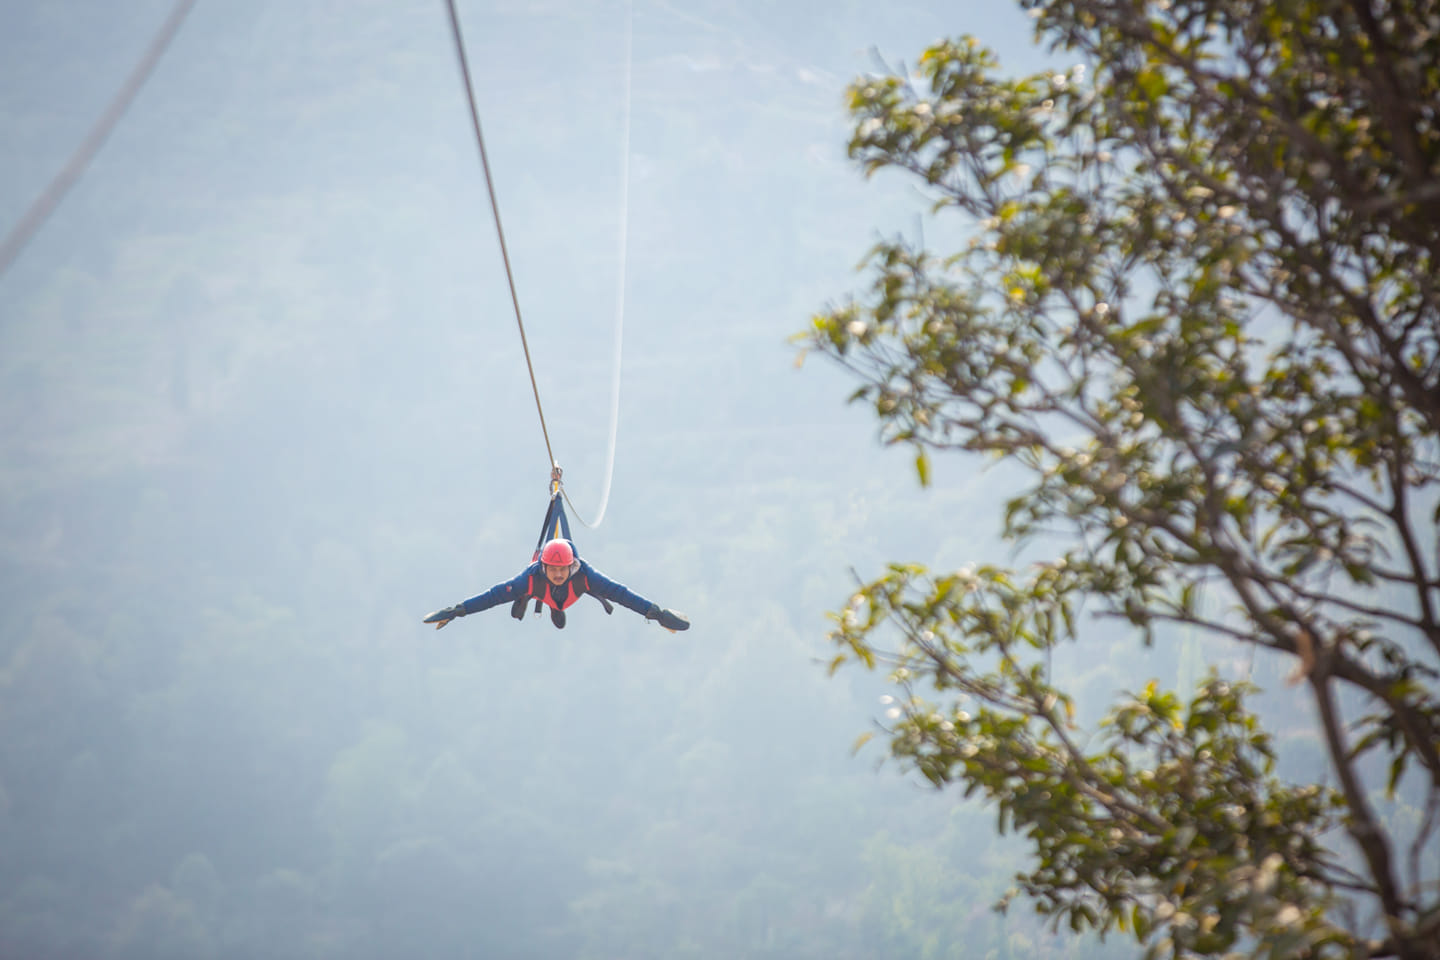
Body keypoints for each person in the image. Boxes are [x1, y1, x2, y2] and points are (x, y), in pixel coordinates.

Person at [423, 536, 690, 632]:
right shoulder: (528, 579)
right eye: (554, 570)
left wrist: (655, 613)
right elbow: (492, 596)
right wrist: (458, 611)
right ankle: (542, 602)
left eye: (563, 570)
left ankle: (555, 606)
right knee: (526, 594)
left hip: (570, 595)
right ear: (544, 567)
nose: (559, 574)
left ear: (570, 566)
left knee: (559, 596)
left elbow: (621, 594)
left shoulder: (586, 576)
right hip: (541, 592)